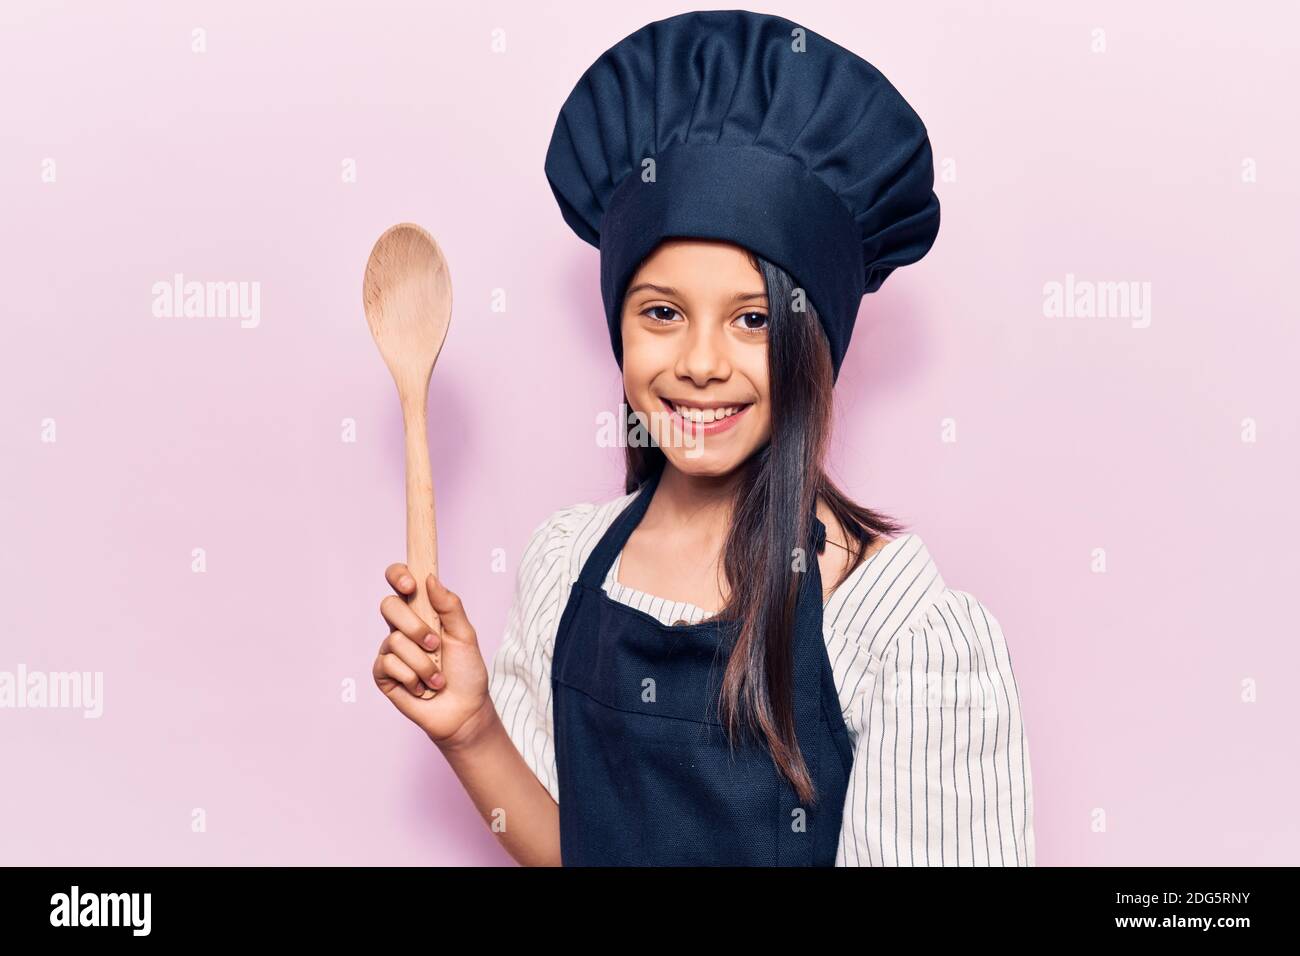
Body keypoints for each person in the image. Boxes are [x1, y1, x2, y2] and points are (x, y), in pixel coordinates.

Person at [372, 9, 1034, 867]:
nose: (700, 363)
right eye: (661, 312)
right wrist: (471, 731)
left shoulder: (895, 627)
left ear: (813, 343)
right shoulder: (566, 564)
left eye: (753, 318)